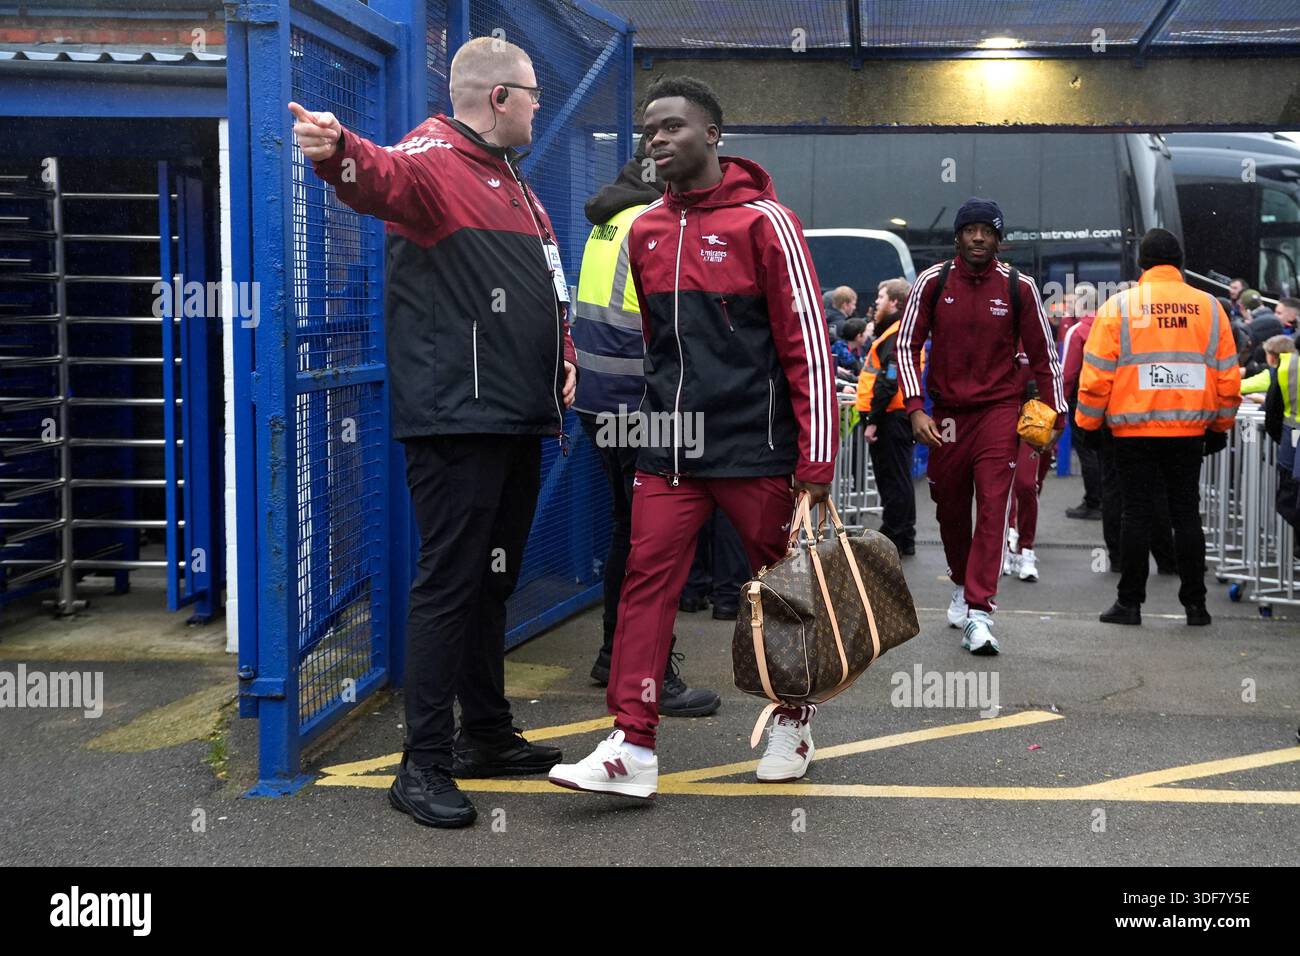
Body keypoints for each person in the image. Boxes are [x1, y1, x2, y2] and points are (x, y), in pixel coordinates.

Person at [291, 37, 575, 829]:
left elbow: (547, 293)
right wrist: (338, 150)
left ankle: (486, 734)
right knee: (451, 584)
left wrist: (567, 361)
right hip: (460, 419)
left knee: (489, 583)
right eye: (531, 94)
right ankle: (421, 766)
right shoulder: (432, 159)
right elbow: (380, 176)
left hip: (515, 416)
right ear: (496, 99)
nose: (537, 106)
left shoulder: (513, 181)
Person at [549, 76, 838, 798]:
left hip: (756, 447)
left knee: (784, 593)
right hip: (668, 447)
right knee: (647, 587)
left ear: (714, 135)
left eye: (673, 126)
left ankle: (792, 719)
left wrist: (817, 460)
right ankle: (633, 746)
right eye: (650, 130)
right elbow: (657, 344)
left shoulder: (766, 223)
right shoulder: (644, 229)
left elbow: (806, 343)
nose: (658, 139)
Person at [572, 138, 720, 717]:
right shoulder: (655, 222)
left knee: (627, 530)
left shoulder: (607, 222)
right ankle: (648, 672)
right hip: (643, 403)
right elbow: (679, 322)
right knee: (656, 539)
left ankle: (615, 653)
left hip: (597, 402)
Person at [897, 198, 1065, 655]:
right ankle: (961, 581)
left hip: (999, 412)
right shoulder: (932, 283)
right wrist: (915, 408)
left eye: (987, 231)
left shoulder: (1019, 286)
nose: (977, 238)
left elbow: (1047, 357)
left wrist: (1056, 414)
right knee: (949, 507)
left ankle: (979, 611)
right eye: (969, 230)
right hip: (947, 415)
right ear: (957, 237)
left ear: (998, 240)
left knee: (994, 506)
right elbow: (905, 346)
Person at [1076, 229, 1241, 627]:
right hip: (1188, 432)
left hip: (1133, 433)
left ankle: (1129, 604)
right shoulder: (1210, 308)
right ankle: (1196, 607)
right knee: (1186, 515)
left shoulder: (1118, 308)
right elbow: (1227, 377)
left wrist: (1087, 424)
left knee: (1136, 514)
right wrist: (1219, 427)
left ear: (1142, 264)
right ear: (1180, 263)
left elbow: (1097, 377)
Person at [857, 277, 917, 555]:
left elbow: (888, 380)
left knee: (893, 479)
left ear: (894, 302)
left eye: (881, 298)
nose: (876, 303)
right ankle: (902, 534)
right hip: (894, 415)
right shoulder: (898, 331)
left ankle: (894, 534)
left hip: (890, 416)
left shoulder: (896, 333)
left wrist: (873, 421)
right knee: (899, 478)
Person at [1060, 282, 1104, 520]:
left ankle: (1093, 503)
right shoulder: (1110, 326)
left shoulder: (1076, 332)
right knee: (1104, 452)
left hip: (1082, 399)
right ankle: (1106, 500)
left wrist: (1060, 401)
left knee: (1086, 452)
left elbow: (1068, 372)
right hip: (1109, 399)